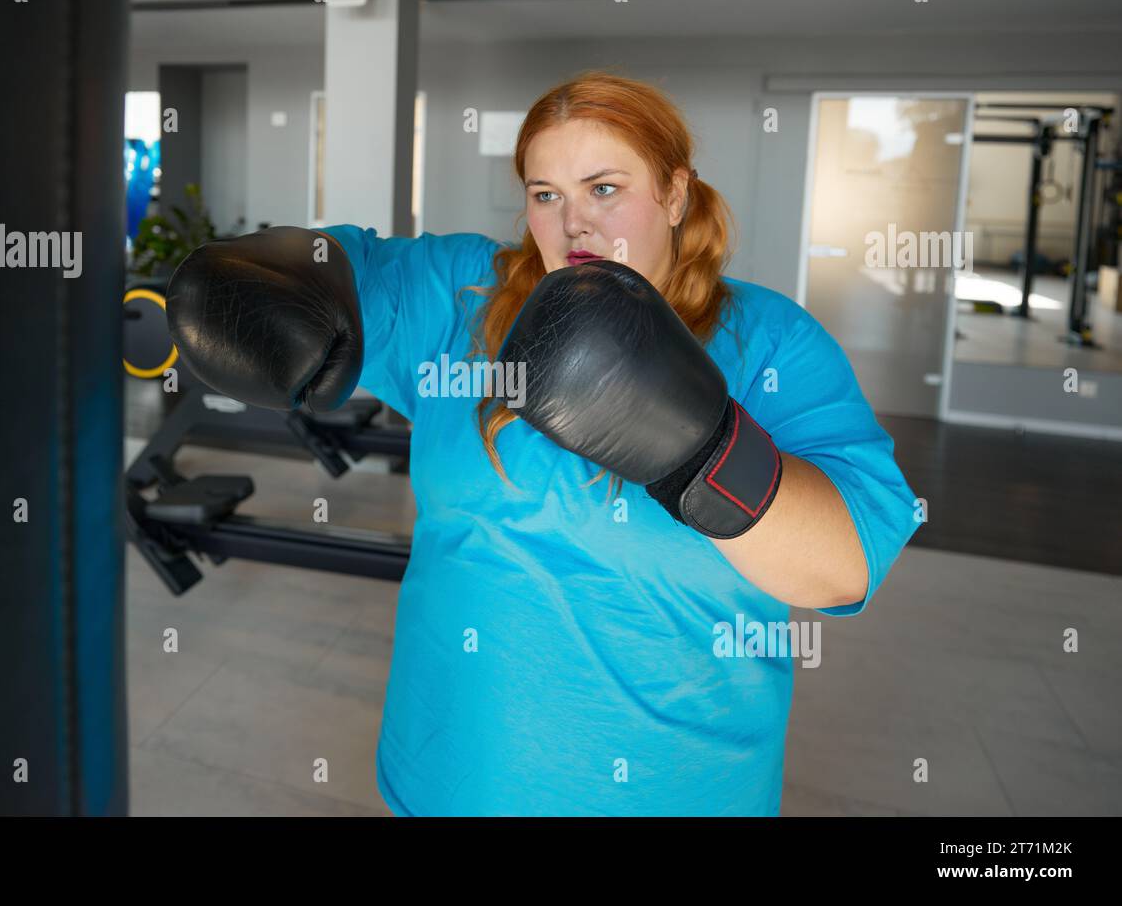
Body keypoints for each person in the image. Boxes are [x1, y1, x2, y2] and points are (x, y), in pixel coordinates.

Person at [166, 70, 920, 816]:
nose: (573, 227)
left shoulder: (770, 343)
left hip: (674, 790)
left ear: (676, 193)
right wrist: (284, 276)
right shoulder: (466, 301)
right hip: (448, 776)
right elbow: (351, 263)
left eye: (605, 189)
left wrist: (701, 449)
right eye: (545, 194)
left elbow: (845, 564)